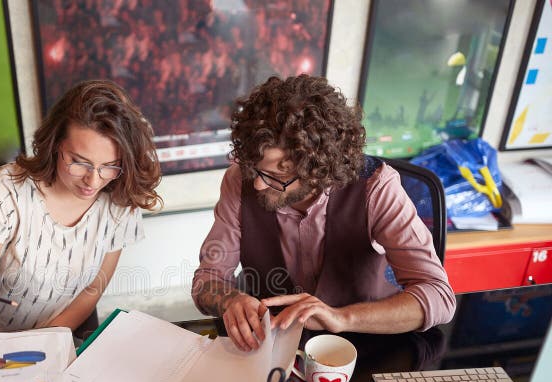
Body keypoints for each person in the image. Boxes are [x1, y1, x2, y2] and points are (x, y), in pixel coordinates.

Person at [191, 75, 455, 351]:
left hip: (364, 346)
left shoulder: (376, 188)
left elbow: (438, 297)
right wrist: (230, 300)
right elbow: (207, 280)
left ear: (318, 169)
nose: (257, 183)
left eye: (275, 175)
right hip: (273, 348)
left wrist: (341, 318)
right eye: (254, 169)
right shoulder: (239, 181)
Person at [0, 80, 161, 336]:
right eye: (79, 163)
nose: (94, 180)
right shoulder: (6, 190)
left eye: (110, 166)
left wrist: (43, 342)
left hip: (52, 339)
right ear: (56, 144)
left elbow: (93, 289)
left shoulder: (121, 198)